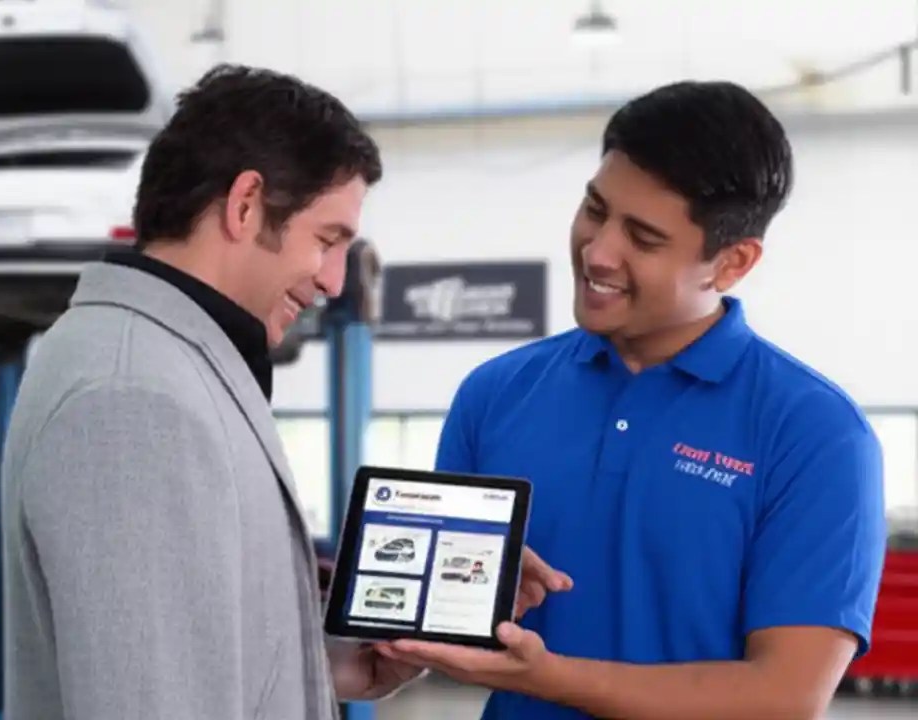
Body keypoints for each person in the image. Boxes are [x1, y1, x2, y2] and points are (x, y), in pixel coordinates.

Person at [378, 81, 888, 719]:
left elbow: (783, 698)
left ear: (731, 263)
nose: (597, 252)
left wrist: (551, 677)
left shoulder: (814, 434)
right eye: (595, 210)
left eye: (642, 239)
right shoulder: (496, 394)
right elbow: (428, 616)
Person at [0, 63, 450, 720]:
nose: (331, 281)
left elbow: (174, 653)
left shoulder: (171, 365)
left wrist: (331, 665)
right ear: (245, 205)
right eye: (327, 241)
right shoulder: (132, 399)